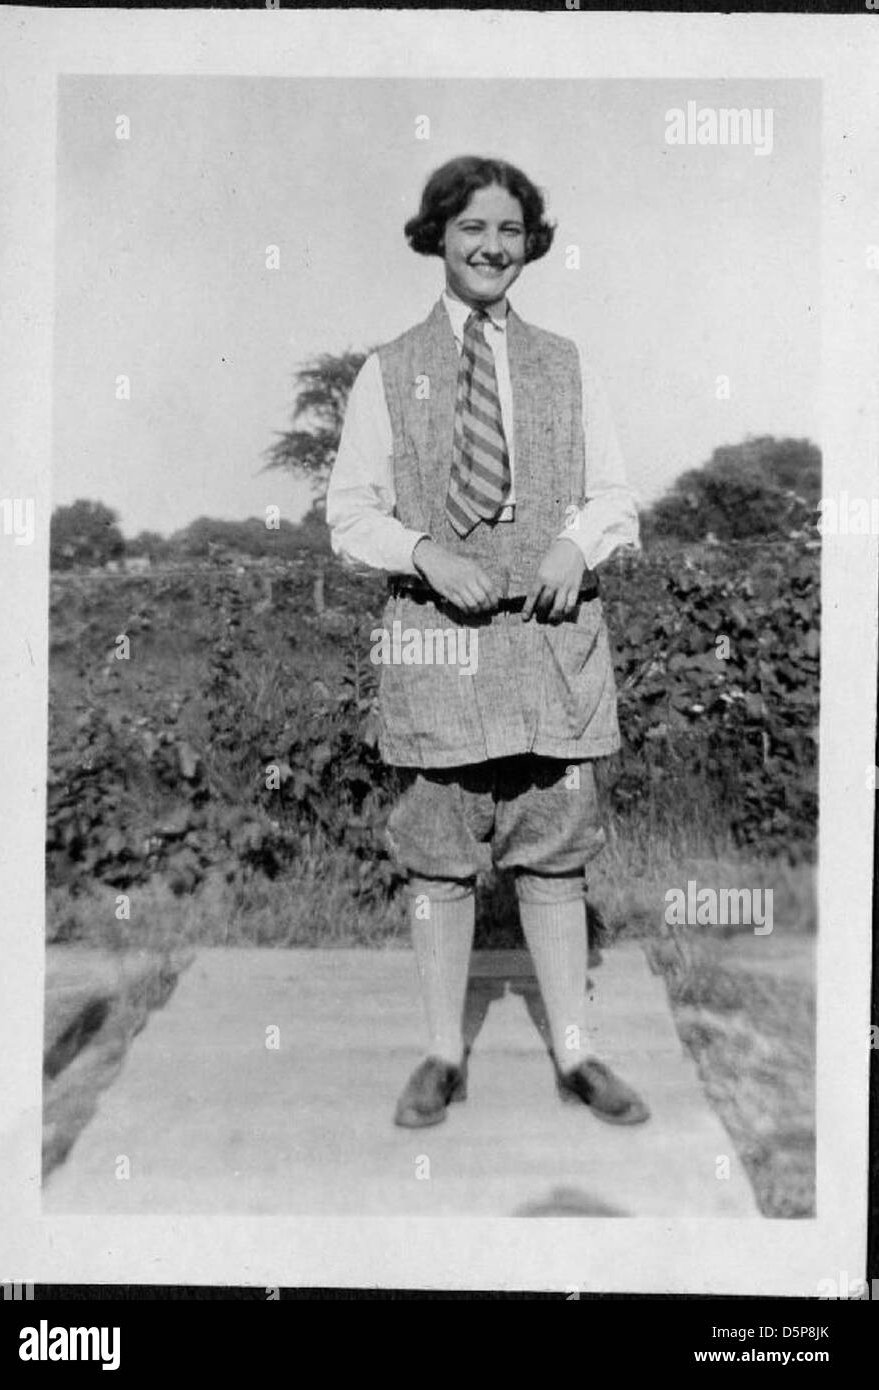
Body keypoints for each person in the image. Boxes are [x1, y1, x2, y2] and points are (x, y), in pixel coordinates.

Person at [326, 155, 650, 1129]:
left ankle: (577, 1055)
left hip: (551, 641)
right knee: (437, 853)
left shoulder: (568, 361)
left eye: (509, 231)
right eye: (471, 228)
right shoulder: (387, 370)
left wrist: (571, 542)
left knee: (554, 855)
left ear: (530, 245)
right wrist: (423, 550)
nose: (491, 247)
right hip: (437, 644)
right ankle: (439, 1053)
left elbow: (616, 497)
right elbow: (348, 517)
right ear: (437, 237)